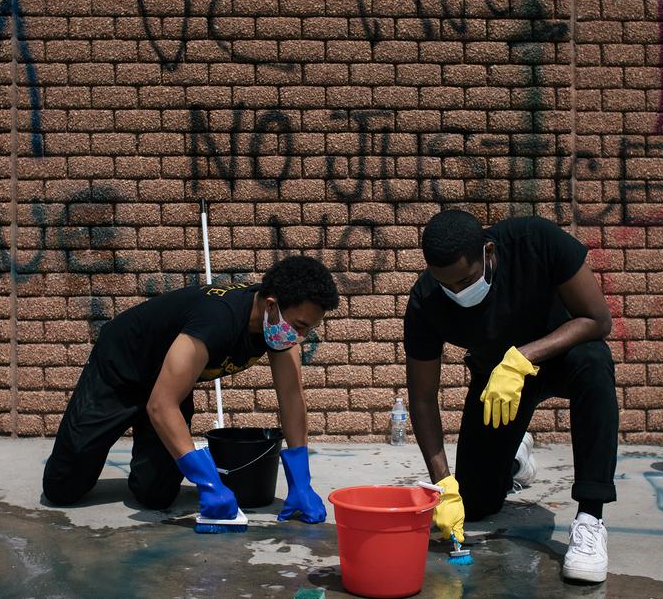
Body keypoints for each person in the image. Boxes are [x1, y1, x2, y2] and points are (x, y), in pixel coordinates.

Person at [42, 255, 339, 527]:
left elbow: (290, 397)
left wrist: (300, 481)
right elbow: (161, 405)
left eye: (308, 331)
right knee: (63, 488)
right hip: (120, 370)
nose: (299, 337)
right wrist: (209, 484)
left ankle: (147, 457)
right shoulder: (218, 319)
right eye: (299, 326)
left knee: (155, 497)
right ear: (272, 305)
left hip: (169, 380)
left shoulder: (277, 328)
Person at [404, 210, 618, 583]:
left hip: (561, 358)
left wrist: (522, 358)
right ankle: (515, 458)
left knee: (595, 361)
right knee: (476, 504)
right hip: (497, 387)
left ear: (489, 253)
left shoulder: (535, 241)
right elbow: (422, 398)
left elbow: (598, 320)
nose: (456, 292)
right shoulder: (426, 300)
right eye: (446, 284)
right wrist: (443, 484)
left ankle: (590, 517)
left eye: (465, 280)